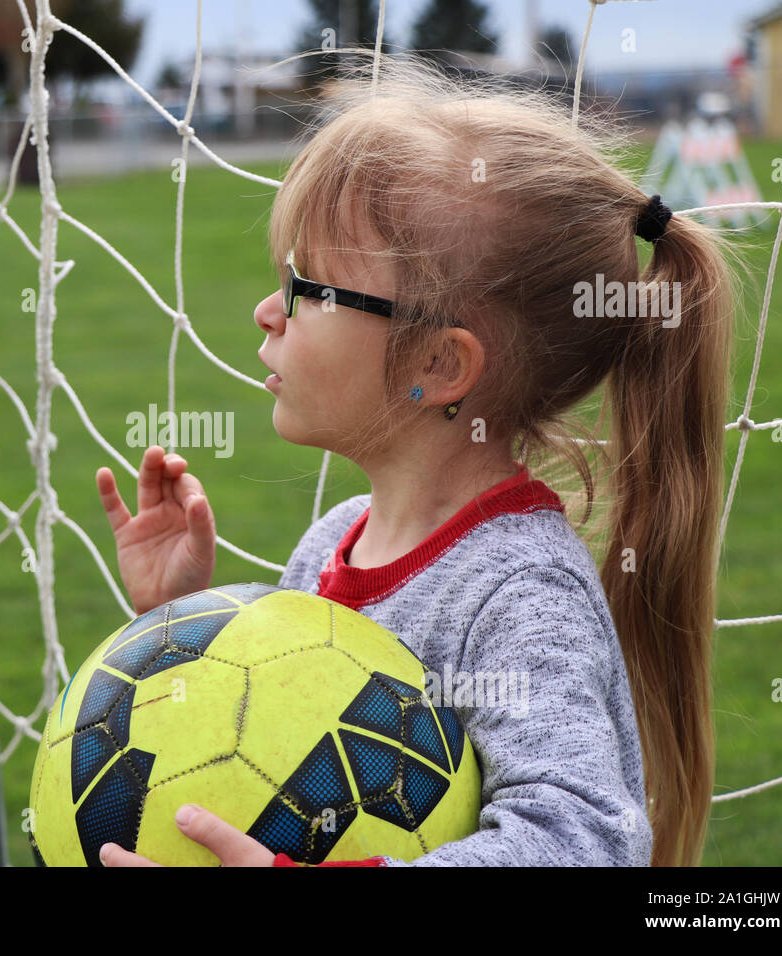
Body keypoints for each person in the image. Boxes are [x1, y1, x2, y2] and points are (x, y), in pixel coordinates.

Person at [94, 51, 744, 867]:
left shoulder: (519, 593)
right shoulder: (336, 536)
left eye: (309, 289)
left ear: (439, 366)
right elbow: (269, 742)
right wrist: (183, 623)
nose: (267, 312)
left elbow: (584, 840)